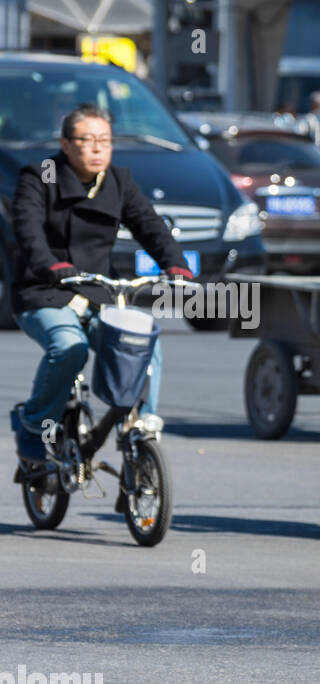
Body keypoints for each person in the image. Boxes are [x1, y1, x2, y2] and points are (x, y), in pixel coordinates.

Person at [10, 104, 193, 466]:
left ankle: (141, 423)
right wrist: (50, 265)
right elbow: (27, 230)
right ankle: (32, 423)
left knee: (143, 343)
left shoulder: (119, 181)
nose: (97, 149)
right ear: (65, 144)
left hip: (96, 291)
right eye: (87, 140)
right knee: (69, 347)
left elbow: (150, 226)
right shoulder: (40, 174)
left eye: (105, 141)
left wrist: (176, 265)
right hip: (45, 291)